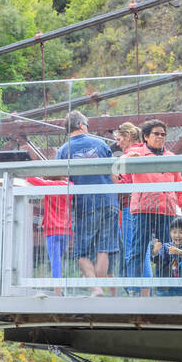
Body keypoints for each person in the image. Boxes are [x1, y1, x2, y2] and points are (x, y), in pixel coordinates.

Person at [126, 119, 182, 295]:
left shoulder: (170, 157)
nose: (160, 137)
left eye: (163, 134)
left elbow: (178, 181)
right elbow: (122, 165)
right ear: (146, 136)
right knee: (137, 249)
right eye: (156, 133)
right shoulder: (137, 152)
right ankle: (135, 288)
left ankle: (164, 288)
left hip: (166, 209)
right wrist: (127, 159)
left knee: (167, 250)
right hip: (143, 209)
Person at [56, 110, 116, 295]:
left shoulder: (64, 150)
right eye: (87, 124)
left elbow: (61, 178)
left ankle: (96, 288)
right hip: (108, 200)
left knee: (82, 253)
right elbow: (114, 175)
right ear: (81, 125)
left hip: (84, 203)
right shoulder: (100, 143)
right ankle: (101, 288)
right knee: (104, 249)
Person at [26, 175, 71, 282]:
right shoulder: (70, 185)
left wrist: (43, 176)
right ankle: (60, 288)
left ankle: (57, 290)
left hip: (52, 230)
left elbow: (30, 178)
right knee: (59, 259)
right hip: (66, 230)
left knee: (55, 261)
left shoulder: (50, 185)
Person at [112, 122, 141, 280]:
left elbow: (123, 187)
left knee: (131, 250)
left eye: (119, 139)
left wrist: (112, 177)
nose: (117, 143)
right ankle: (144, 290)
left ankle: (133, 289)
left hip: (130, 207)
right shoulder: (145, 151)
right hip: (144, 206)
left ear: (128, 137)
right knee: (142, 251)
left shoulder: (125, 157)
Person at [150, 216, 182, 296]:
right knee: (161, 264)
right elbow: (159, 261)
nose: (177, 235)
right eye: (174, 232)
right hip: (170, 284)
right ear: (170, 233)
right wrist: (155, 252)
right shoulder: (166, 246)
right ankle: (162, 289)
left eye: (181, 232)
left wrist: (181, 253)